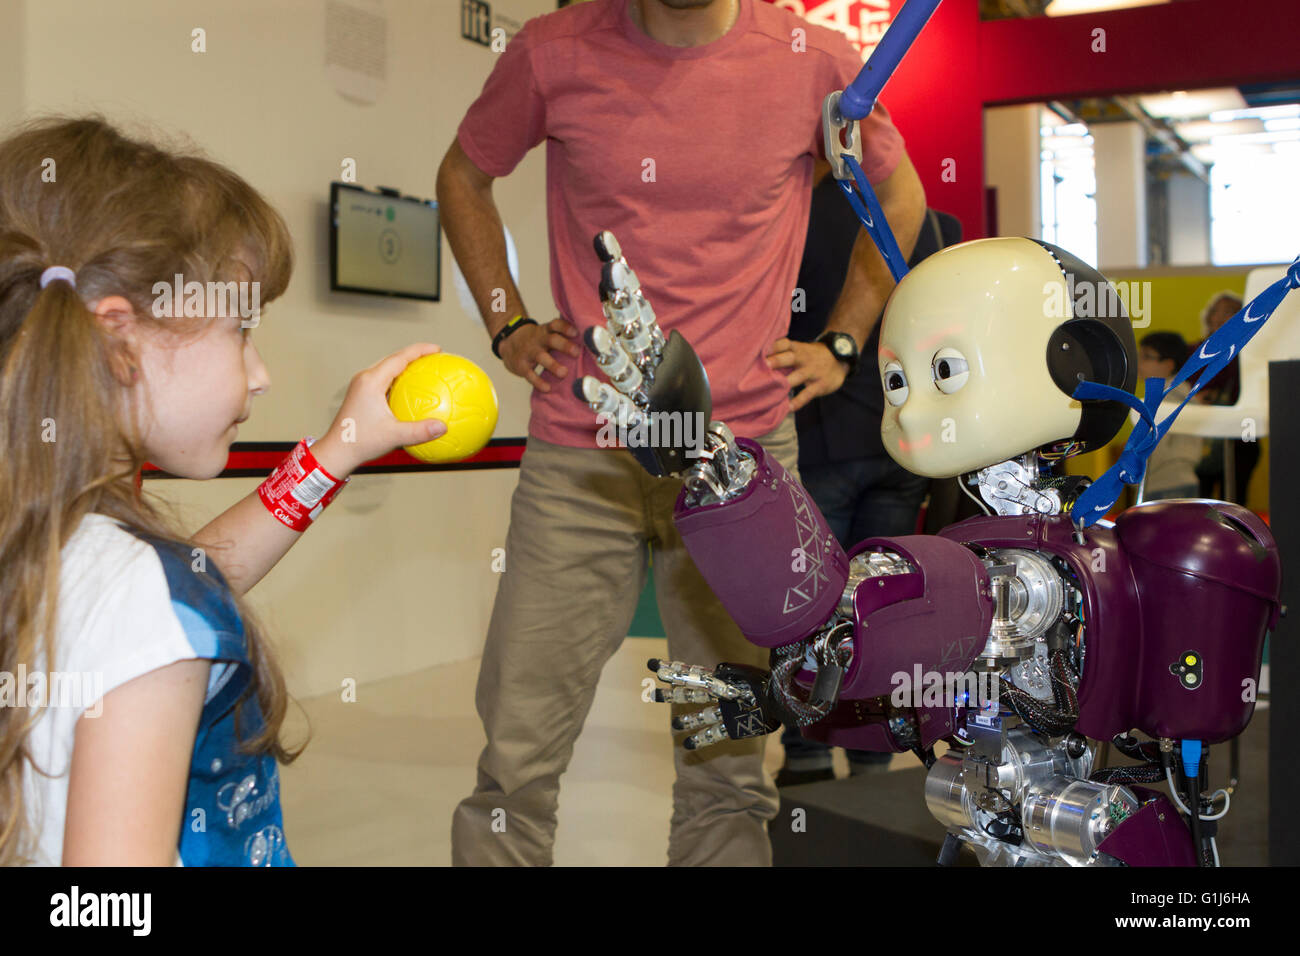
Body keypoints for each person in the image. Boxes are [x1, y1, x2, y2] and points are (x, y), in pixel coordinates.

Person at [438, 0, 925, 865]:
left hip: (739, 469)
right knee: (516, 760)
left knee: (729, 766)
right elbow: (463, 175)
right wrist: (508, 323)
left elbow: (898, 190)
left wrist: (844, 341)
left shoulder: (814, 60)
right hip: (583, 461)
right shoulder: (554, 51)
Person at [0, 115, 446, 865]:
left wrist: (338, 450)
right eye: (241, 330)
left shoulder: (53, 537)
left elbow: (185, 583)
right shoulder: (141, 596)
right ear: (119, 342)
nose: (261, 373)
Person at [777, 197, 961, 785]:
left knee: (809, 607)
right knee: (885, 609)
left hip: (819, 436)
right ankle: (875, 756)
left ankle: (807, 751)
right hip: (906, 442)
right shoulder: (938, 224)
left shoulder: (795, 215)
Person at [1190, 291, 1258, 503]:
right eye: (1216, 311)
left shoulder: (1249, 354)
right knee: (1200, 501)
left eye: (1230, 312)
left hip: (1242, 437)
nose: (1220, 317)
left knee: (1236, 500)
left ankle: (1237, 535)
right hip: (1201, 436)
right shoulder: (1194, 350)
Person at [1136, 331, 1201, 501]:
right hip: (1180, 481)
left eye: (1146, 356)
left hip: (1165, 484)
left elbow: (1153, 448)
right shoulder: (1183, 393)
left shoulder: (1167, 399)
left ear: (1169, 364)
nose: (1139, 362)